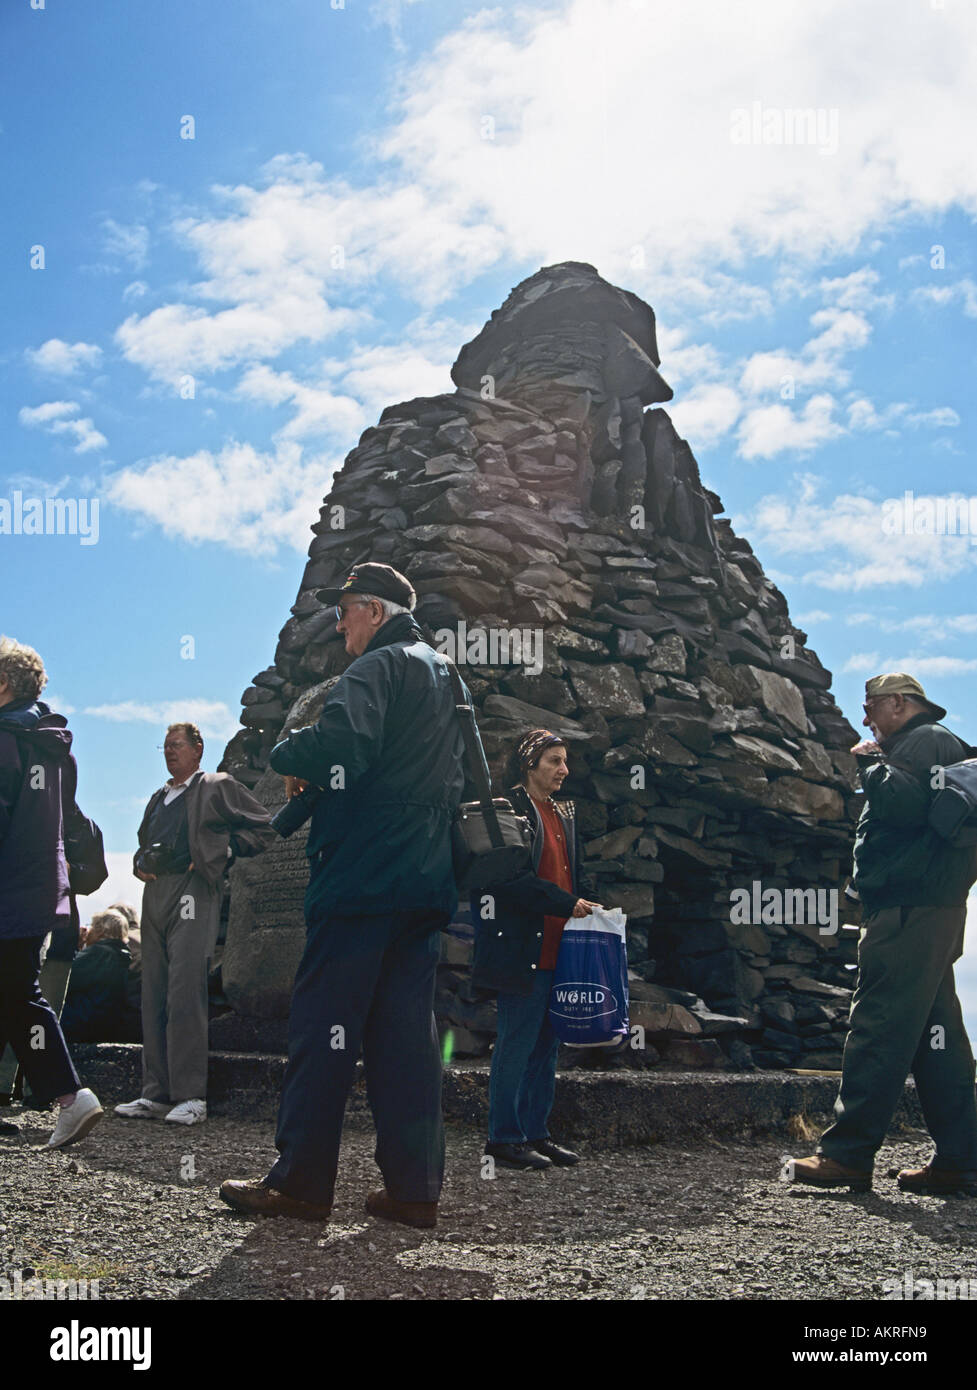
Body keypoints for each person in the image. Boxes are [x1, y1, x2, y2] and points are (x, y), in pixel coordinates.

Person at [220, 563, 469, 1227]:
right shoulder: (448, 676)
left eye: (346, 611)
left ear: (377, 612)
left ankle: (300, 1183)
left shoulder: (375, 669)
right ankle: (414, 1191)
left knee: (323, 1031)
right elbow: (466, 775)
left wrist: (290, 754)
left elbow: (345, 747)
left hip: (360, 877)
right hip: (424, 882)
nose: (338, 625)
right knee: (407, 1040)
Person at [787, 673, 977, 1194]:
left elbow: (904, 805)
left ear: (899, 703)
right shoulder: (935, 745)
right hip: (927, 910)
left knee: (876, 1025)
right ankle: (962, 1163)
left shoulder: (925, 741)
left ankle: (846, 1155)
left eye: (871, 706)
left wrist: (870, 761)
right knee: (938, 1041)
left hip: (907, 911)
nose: (866, 717)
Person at [114, 722, 274, 1126]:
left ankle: (191, 1097)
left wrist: (219, 852)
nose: (169, 752)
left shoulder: (217, 784)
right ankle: (156, 1093)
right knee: (153, 992)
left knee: (185, 989)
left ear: (198, 749)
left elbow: (263, 825)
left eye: (177, 745)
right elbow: (143, 842)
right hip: (154, 895)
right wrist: (139, 865)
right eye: (165, 746)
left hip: (192, 891)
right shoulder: (158, 797)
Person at [471, 730, 601, 1171]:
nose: (564, 770)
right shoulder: (507, 809)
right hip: (521, 947)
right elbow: (506, 880)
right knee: (516, 1043)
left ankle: (536, 1133)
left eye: (565, 761)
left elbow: (569, 876)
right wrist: (567, 903)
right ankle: (503, 1139)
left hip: (557, 947)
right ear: (530, 763)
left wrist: (583, 906)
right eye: (554, 761)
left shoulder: (561, 812)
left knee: (547, 1046)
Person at [0, 635, 102, 1149]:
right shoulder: (55, 746)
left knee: (19, 994)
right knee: (15, 990)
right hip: (40, 887)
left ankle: (69, 1095)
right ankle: (68, 1096)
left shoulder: (4, 740)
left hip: (7, 886)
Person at [61, 909, 133, 1043]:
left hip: (80, 1020)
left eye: (92, 926)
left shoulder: (97, 954)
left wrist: (75, 948)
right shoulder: (121, 955)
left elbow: (64, 980)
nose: (89, 931)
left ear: (100, 931)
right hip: (104, 1021)